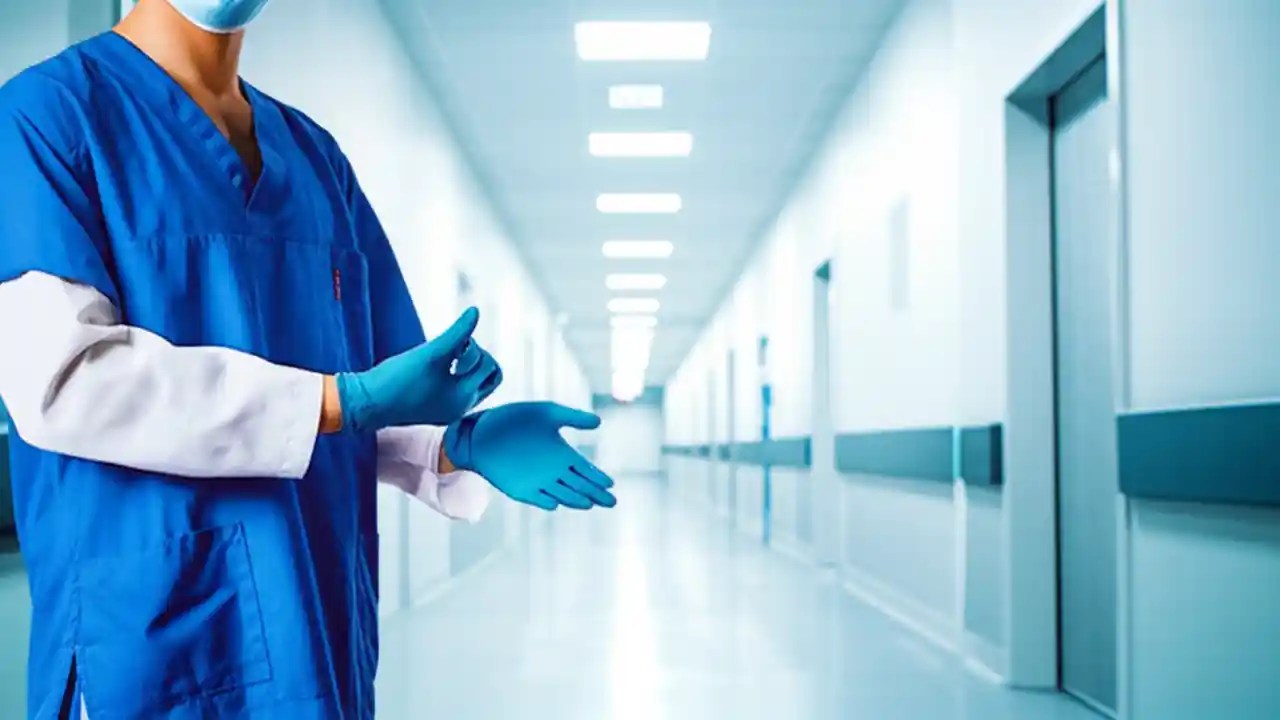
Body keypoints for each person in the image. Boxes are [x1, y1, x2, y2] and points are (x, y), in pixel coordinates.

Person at [0, 0, 617, 717]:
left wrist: (457, 445)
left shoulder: (315, 159)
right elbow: (65, 382)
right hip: (153, 633)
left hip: (319, 614)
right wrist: (337, 403)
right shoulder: (46, 116)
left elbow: (376, 382)